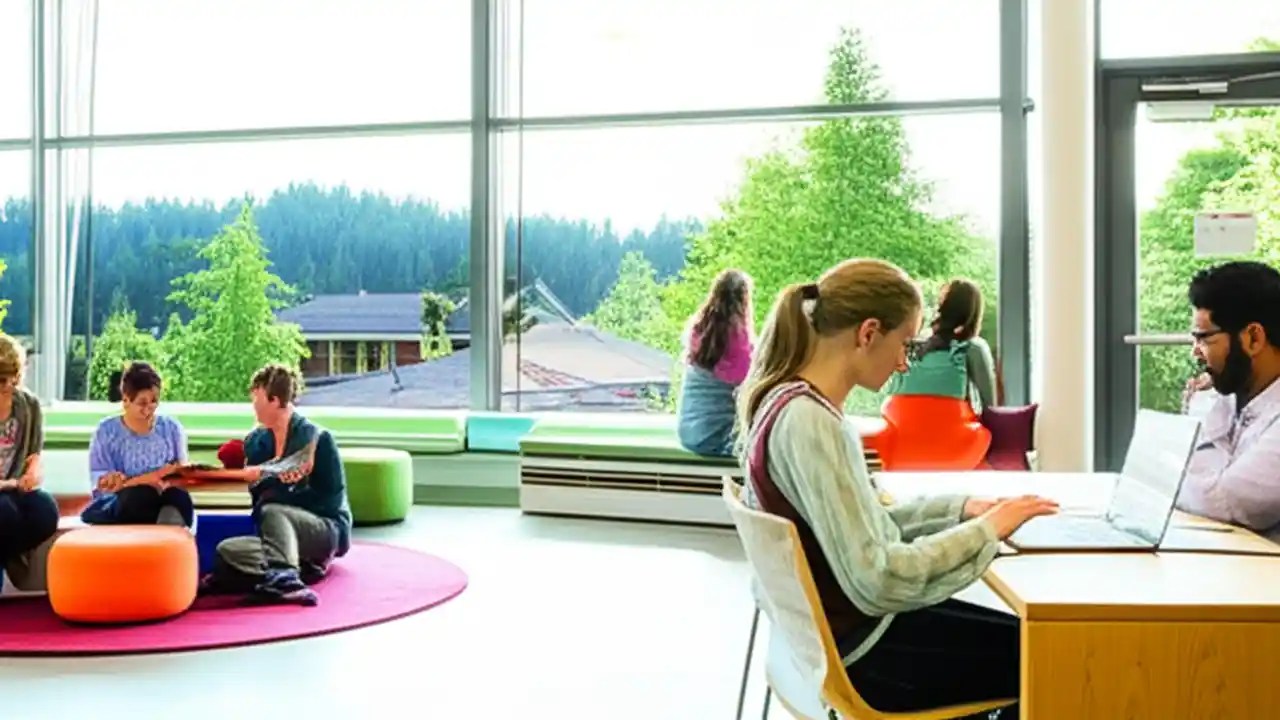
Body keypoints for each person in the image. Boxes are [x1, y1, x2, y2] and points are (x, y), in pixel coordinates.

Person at [737, 258, 1057, 718]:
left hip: (847, 640)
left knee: (1039, 643)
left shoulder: (784, 402)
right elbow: (878, 576)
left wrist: (963, 509)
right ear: (868, 333)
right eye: (904, 343)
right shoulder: (812, 424)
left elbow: (862, 524)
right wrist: (986, 531)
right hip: (869, 654)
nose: (905, 361)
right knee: (1059, 659)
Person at [198, 364, 351, 606]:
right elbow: (258, 494)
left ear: (275, 400)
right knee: (228, 550)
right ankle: (301, 566)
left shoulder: (317, 439)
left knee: (274, 510)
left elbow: (330, 502)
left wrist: (285, 494)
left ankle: (286, 581)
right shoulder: (256, 443)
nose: (254, 407)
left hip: (324, 529)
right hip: (281, 536)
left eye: (257, 400)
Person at [1174, 261, 1280, 541]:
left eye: (1205, 339)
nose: (1196, 353)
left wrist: (1202, 411)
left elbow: (1222, 501)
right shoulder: (1234, 398)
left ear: (1254, 338)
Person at [81, 362, 195, 528]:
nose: (148, 409)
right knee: (140, 496)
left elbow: (182, 473)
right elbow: (103, 485)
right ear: (126, 400)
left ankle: (166, 542)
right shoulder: (106, 431)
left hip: (163, 497)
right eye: (142, 403)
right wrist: (148, 479)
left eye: (154, 401)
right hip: (122, 501)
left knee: (178, 497)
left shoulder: (171, 428)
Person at [0, 334, 60, 586]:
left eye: (13, 378)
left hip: (15, 487)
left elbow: (34, 455)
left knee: (45, 511)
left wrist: (33, 472)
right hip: (6, 490)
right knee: (4, 513)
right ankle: (8, 559)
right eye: (2, 379)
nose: (8, 385)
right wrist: (13, 484)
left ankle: (6, 554)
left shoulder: (29, 406)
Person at [676, 269, 754, 457]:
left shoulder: (698, 330)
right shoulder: (738, 341)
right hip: (717, 436)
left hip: (688, 433)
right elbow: (751, 386)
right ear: (744, 300)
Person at [886, 278, 997, 410]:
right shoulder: (972, 348)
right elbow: (990, 405)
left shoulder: (914, 344)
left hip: (901, 422)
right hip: (951, 426)